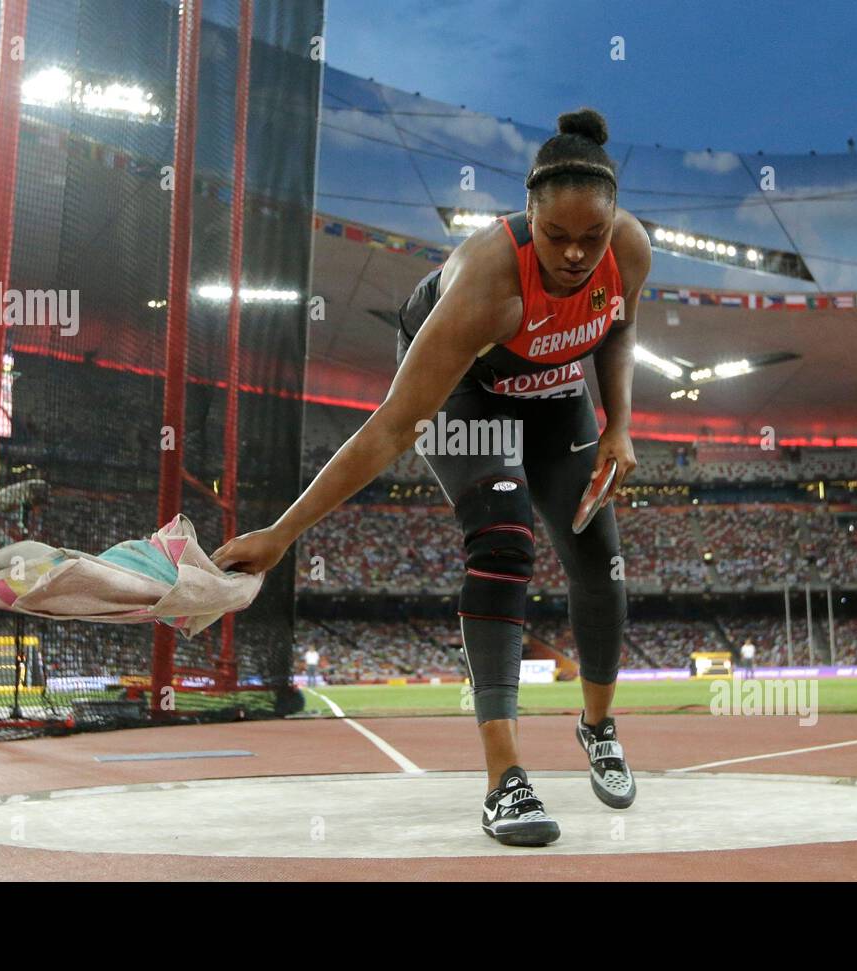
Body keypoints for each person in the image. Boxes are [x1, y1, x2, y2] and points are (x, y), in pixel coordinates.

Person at [215, 107, 651, 847]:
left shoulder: (629, 250)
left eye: (592, 237)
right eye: (556, 237)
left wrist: (617, 424)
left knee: (599, 564)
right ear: (528, 215)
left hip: (554, 397)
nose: (576, 255)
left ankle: (598, 725)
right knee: (505, 536)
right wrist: (285, 532)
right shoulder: (489, 282)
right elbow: (390, 428)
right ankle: (504, 779)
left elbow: (618, 326)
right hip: (468, 390)